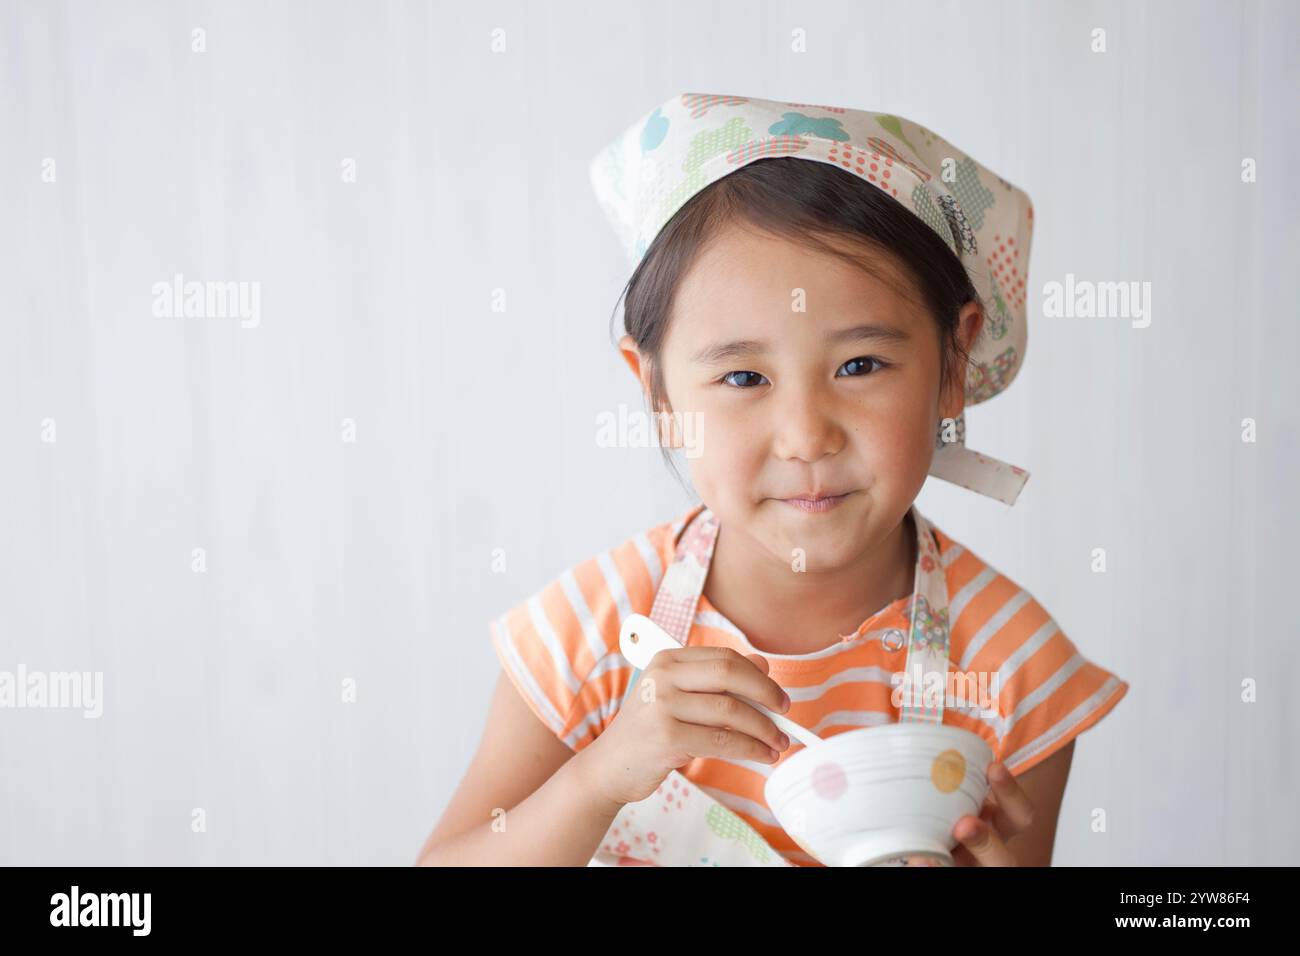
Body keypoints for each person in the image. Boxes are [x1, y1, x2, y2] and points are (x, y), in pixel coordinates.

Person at [417, 93, 1128, 867]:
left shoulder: (1013, 667)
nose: (805, 435)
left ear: (951, 362)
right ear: (657, 392)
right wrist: (598, 778)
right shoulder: (590, 632)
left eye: (859, 365)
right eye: (745, 376)